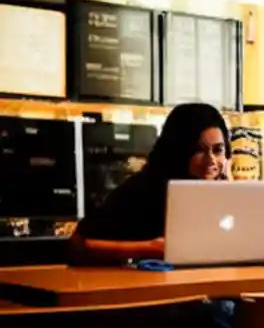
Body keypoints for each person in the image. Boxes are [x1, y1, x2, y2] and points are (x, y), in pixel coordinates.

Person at [68, 102, 230, 265]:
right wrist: (150, 248)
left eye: (218, 150)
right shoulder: (143, 190)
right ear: (179, 151)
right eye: (199, 150)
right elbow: (78, 244)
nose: (211, 160)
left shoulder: (224, 194)